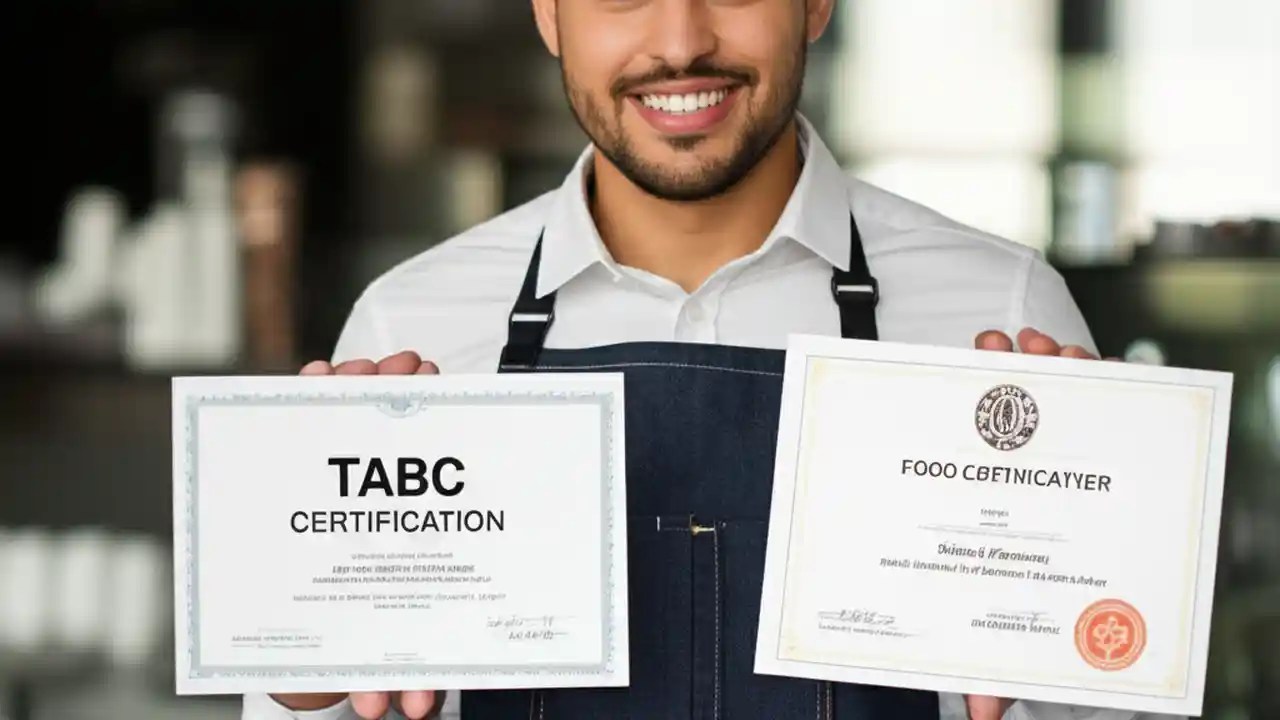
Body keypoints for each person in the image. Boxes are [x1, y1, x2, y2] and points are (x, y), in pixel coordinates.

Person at [244, 1, 1185, 719]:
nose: (681, 42)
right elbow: (310, 700)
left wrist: (1081, 605)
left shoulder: (1001, 309)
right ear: (547, 15)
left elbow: (1105, 685)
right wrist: (314, 682)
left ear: (816, 4)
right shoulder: (411, 325)